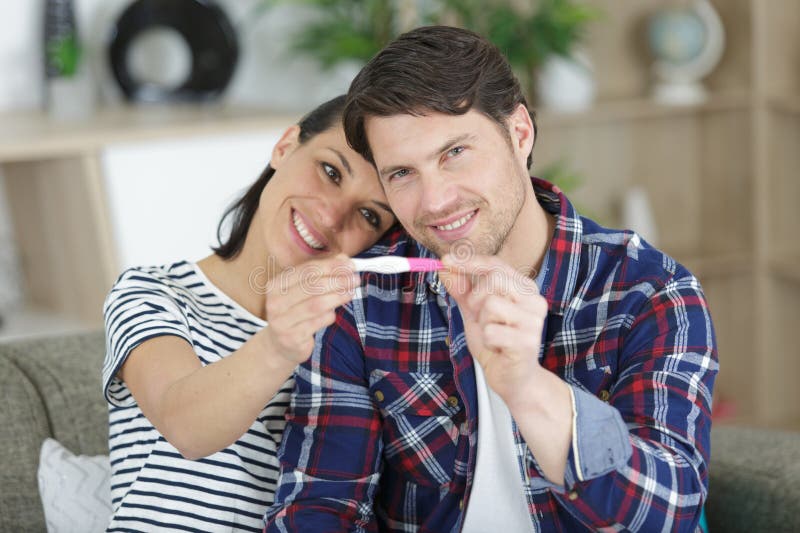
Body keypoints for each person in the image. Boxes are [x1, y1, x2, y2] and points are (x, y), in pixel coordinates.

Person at [266, 26, 718, 532]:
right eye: (402, 174)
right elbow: (319, 510)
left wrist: (526, 387)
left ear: (520, 133)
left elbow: (668, 514)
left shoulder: (650, 293)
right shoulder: (363, 303)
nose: (435, 201)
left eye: (455, 152)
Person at [101, 95, 398, 532]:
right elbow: (187, 426)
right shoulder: (154, 292)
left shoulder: (350, 340)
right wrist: (277, 346)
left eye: (369, 215)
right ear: (285, 146)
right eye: (330, 171)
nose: (334, 216)